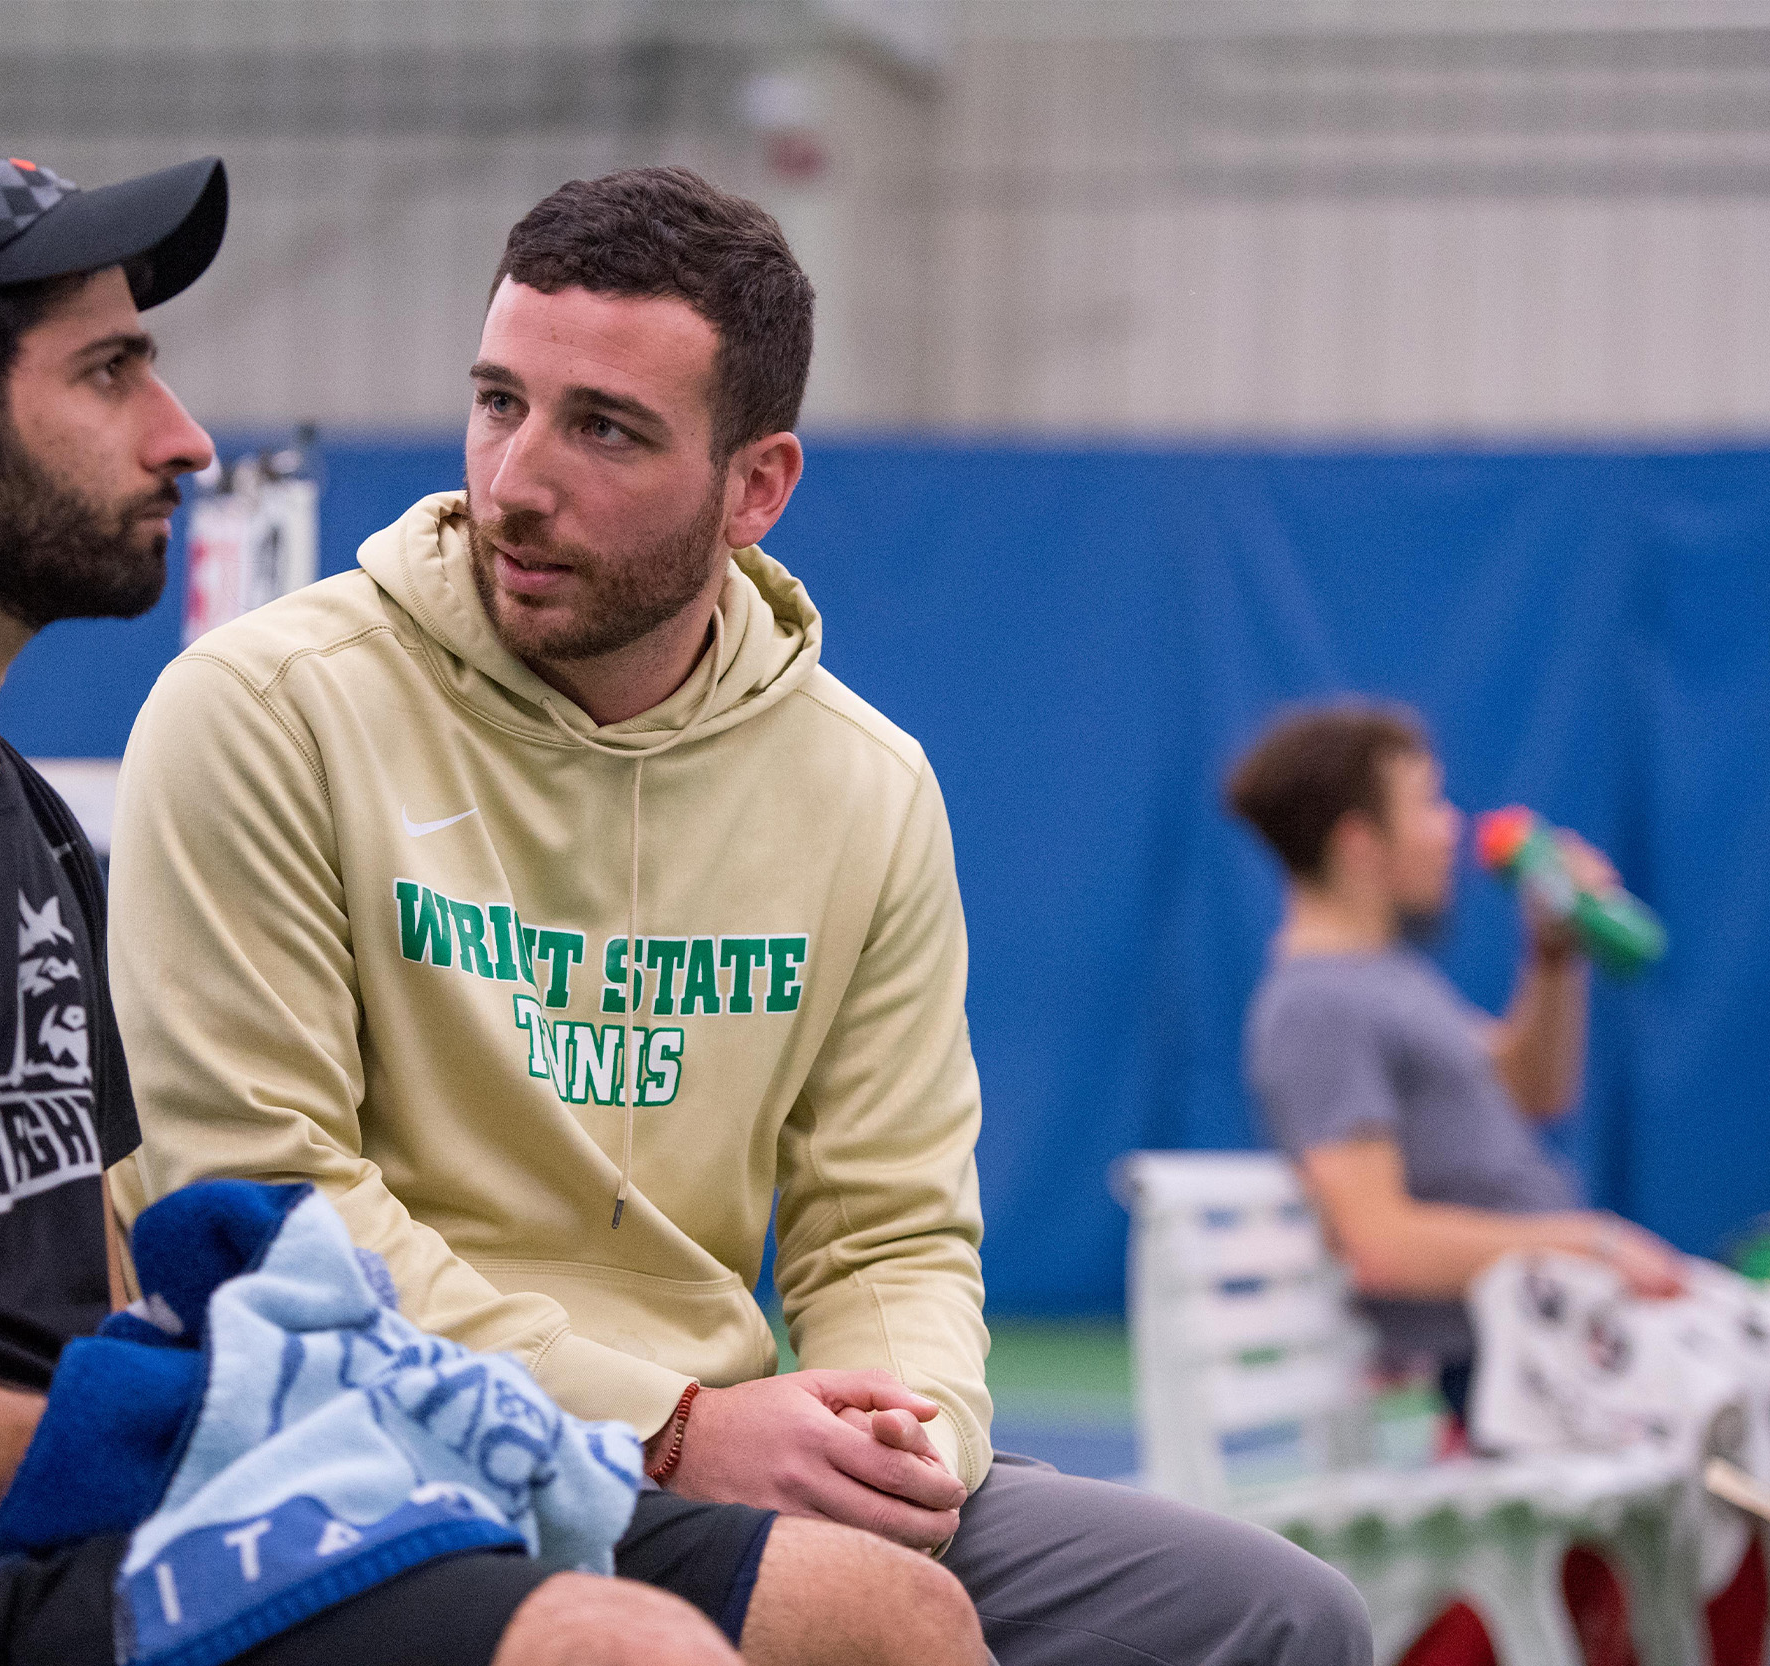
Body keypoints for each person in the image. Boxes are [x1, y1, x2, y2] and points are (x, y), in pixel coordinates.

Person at [0, 137, 959, 1666]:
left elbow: (111, 1277)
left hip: (112, 1540)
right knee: (621, 1650)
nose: (186, 438)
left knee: (882, 1610)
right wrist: (193, 1436)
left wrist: (313, 1395)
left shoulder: (17, 816)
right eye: (113, 373)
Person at [107, 163, 1372, 1664]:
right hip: (376, 1450)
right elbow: (265, 1201)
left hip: (730, 1456)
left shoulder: (865, 784)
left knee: (1278, 1614)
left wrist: (901, 1441)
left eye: (605, 429)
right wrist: (663, 1424)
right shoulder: (261, 710)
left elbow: (888, 1225)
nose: (516, 479)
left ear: (755, 486)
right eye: (501, 400)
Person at [1226, 700, 1686, 1422]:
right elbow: (1379, 1243)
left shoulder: (1384, 976)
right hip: (1511, 1364)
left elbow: (1531, 1091)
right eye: (1427, 805)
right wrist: (1589, 1243)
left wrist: (1554, 953)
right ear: (1358, 844)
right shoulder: (1316, 1007)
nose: (1452, 830)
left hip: (1553, 1331)